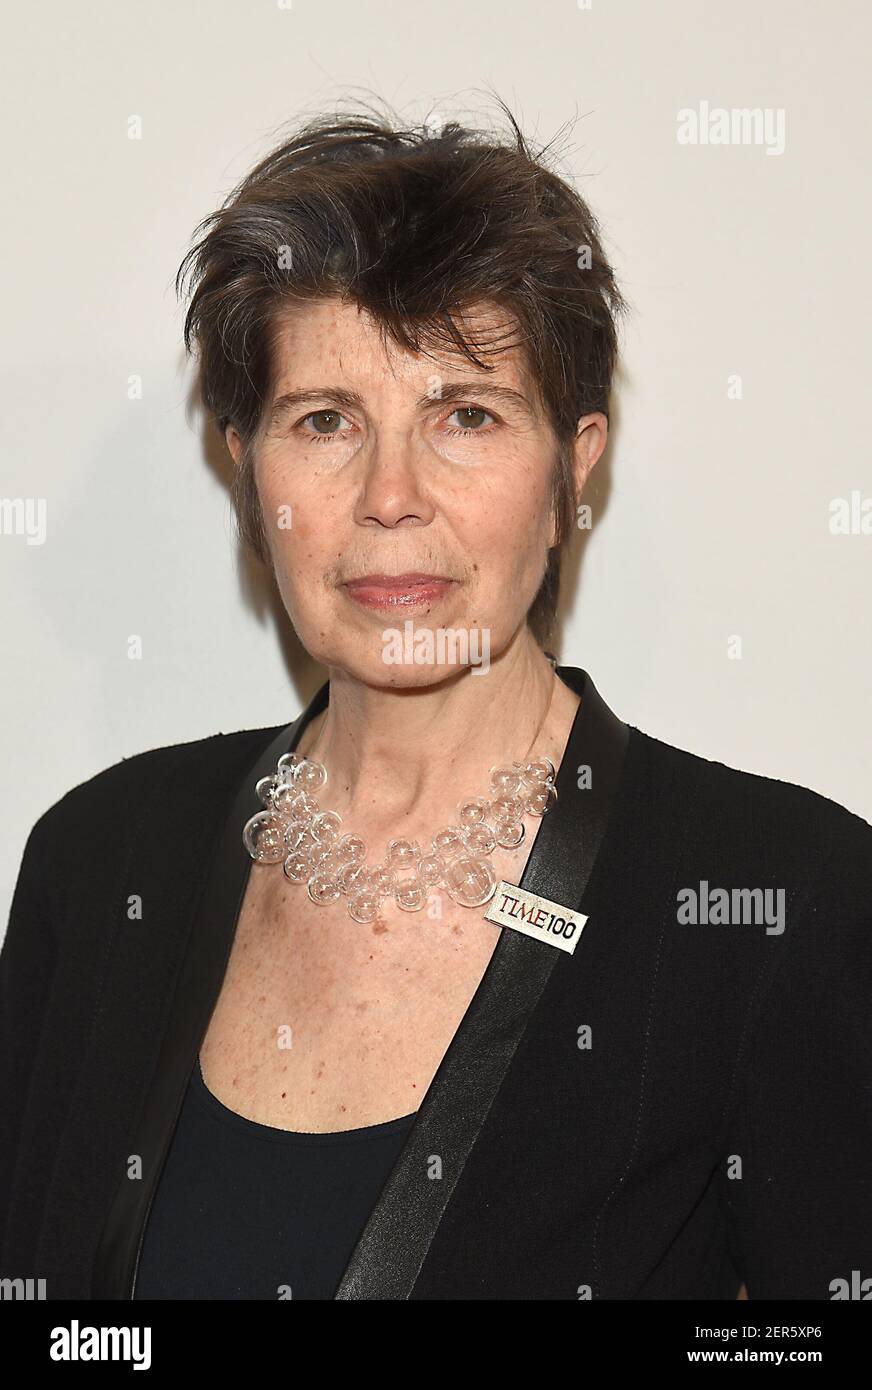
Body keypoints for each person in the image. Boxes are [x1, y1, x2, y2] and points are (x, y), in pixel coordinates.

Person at [2, 100, 870, 1302]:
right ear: (244, 465)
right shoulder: (100, 865)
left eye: (465, 414)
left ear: (573, 464)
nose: (390, 494)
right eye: (325, 421)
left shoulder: (776, 903)